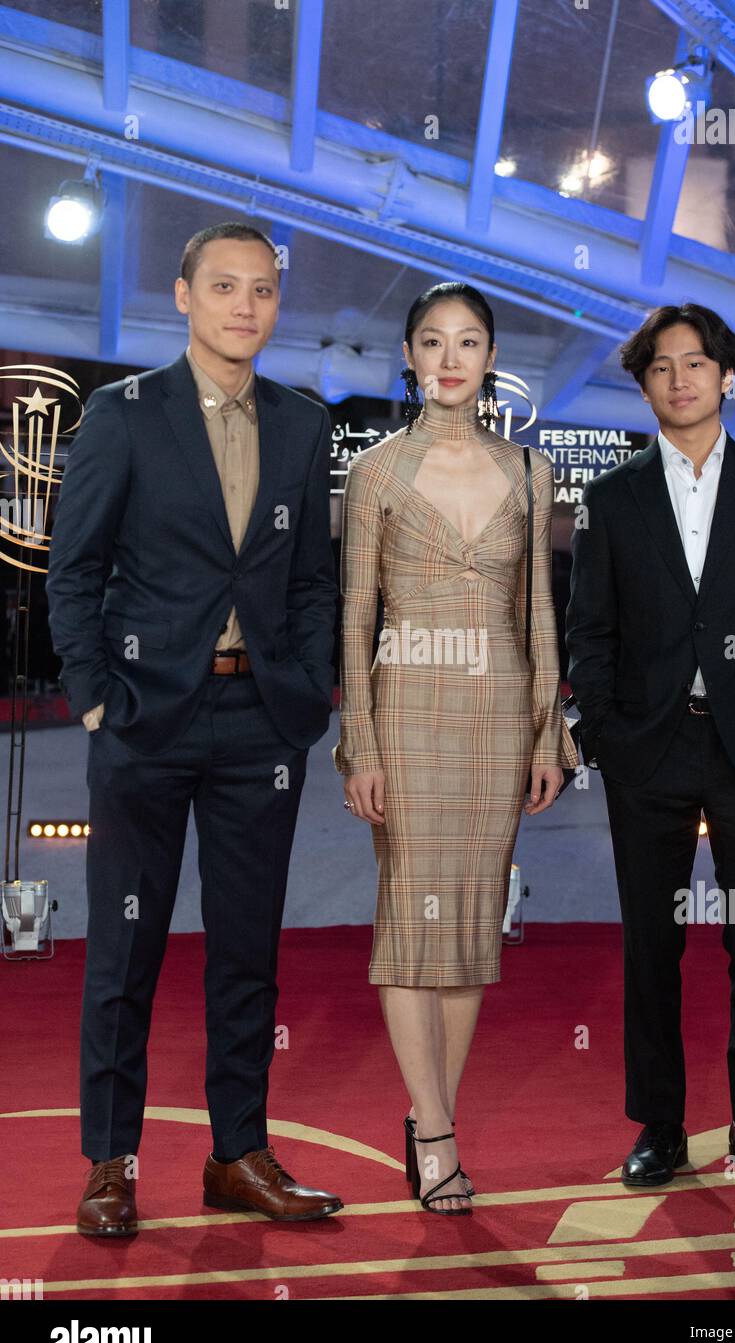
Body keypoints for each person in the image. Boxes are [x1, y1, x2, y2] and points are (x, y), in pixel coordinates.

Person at [47, 222, 343, 1235]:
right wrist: (93, 697)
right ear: (181, 296)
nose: (244, 306)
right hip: (142, 719)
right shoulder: (121, 414)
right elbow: (72, 569)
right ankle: (110, 1162)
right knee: (124, 949)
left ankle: (237, 1153)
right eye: (223, 286)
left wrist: (302, 691)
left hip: (258, 722)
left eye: (261, 289)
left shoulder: (304, 427)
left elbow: (311, 585)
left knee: (246, 948)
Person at [565, 302, 735, 1188]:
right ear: (644, 387)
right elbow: (589, 635)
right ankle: (662, 1130)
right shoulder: (610, 499)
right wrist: (604, 734)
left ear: (725, 376)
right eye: (662, 367)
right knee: (653, 947)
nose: (680, 378)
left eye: (696, 363)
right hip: (650, 751)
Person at [333, 283, 578, 1212]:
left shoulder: (528, 471)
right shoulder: (378, 474)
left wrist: (547, 728)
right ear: (407, 354)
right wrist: (361, 742)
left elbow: (538, 612)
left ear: (488, 359)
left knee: (473, 926)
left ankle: (432, 1110)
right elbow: (357, 616)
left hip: (496, 715)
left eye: (468, 342)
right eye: (432, 341)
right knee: (408, 921)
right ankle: (435, 1133)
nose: (449, 357)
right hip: (406, 705)